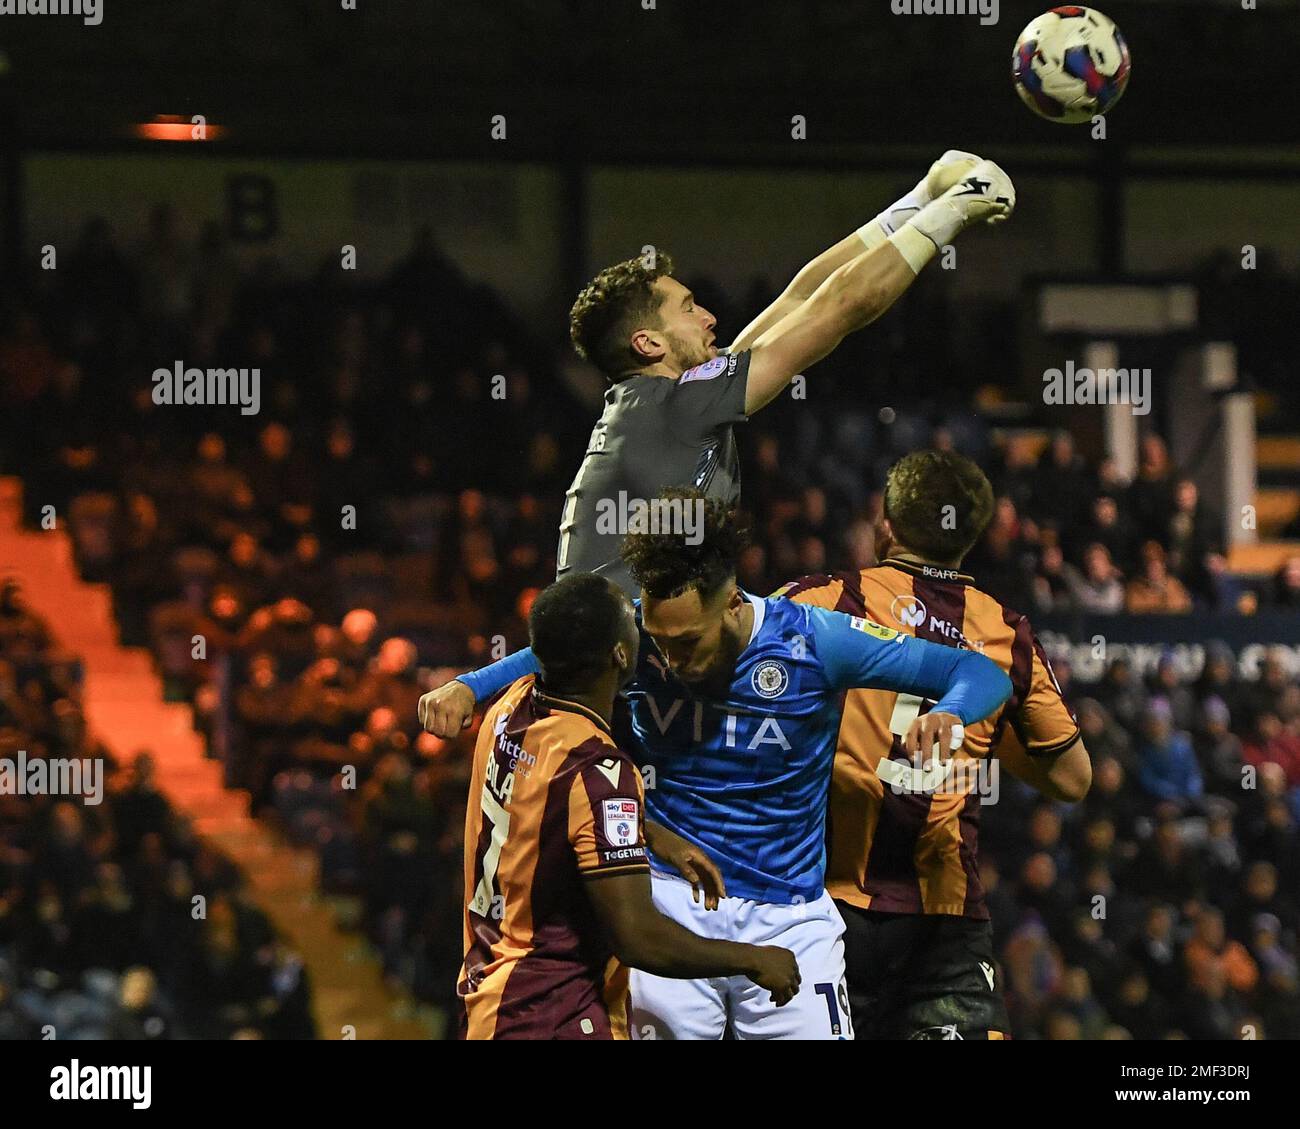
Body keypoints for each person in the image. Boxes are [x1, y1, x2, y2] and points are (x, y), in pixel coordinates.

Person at [424, 490, 1011, 1039]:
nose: (669, 659)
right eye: (657, 640)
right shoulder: (637, 634)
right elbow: (553, 649)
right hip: (665, 902)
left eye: (687, 642)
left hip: (791, 916)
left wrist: (952, 715)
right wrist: (468, 688)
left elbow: (980, 672)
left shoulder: (816, 641)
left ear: (731, 603)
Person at [557, 153, 1015, 592]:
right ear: (649, 343)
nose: (709, 317)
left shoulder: (659, 404)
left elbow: (799, 300)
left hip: (620, 649)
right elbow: (840, 307)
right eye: (689, 308)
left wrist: (919, 200)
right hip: (629, 662)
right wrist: (956, 210)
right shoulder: (676, 406)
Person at [776, 450, 1090, 1039]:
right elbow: (1073, 779)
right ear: (968, 540)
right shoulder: (1003, 629)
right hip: (942, 920)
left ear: (886, 525)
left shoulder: (817, 602)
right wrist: (983, 731)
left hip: (821, 907)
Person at [456, 572, 799, 1040]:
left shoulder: (507, 711)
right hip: (552, 1013)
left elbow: (551, 806)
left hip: (487, 997)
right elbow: (638, 938)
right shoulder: (598, 769)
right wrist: (753, 958)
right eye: (631, 623)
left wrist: (653, 834)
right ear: (620, 653)